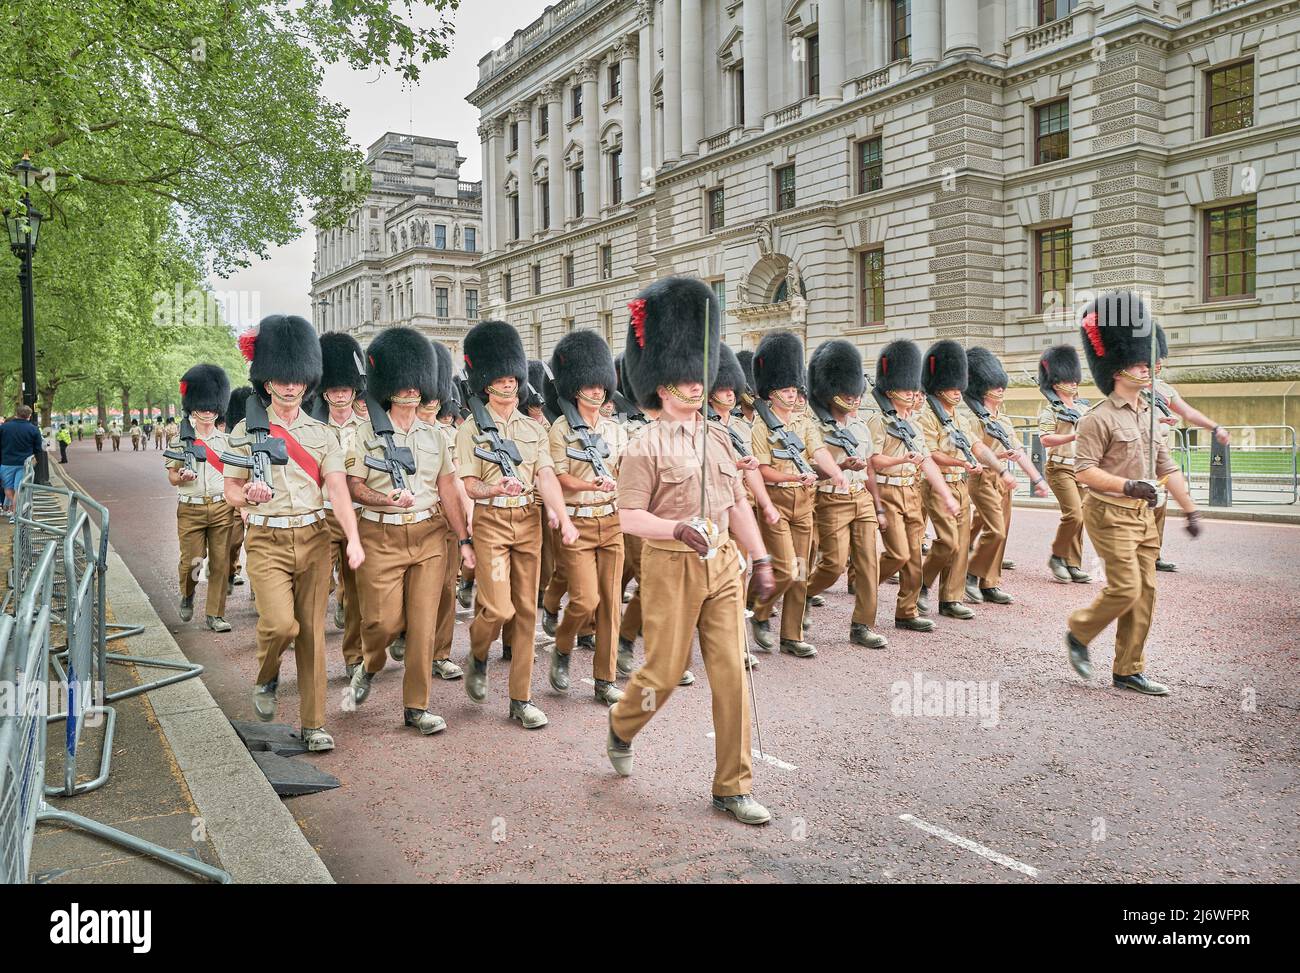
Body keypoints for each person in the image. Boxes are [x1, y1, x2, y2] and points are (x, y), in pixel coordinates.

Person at [605, 276, 777, 826]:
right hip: (671, 566)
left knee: (733, 674)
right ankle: (623, 724)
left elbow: (736, 504)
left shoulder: (722, 437)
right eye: (683, 379)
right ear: (660, 385)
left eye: (697, 376)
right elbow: (626, 516)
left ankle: (732, 785)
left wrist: (763, 558)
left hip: (723, 564)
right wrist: (676, 530)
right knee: (663, 673)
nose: (696, 386)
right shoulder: (642, 446)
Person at [223, 314, 363, 753]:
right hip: (266, 540)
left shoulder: (321, 435)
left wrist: (353, 539)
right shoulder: (247, 432)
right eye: (281, 379)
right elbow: (229, 489)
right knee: (280, 625)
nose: (289, 387)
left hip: (315, 536)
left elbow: (338, 490)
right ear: (266, 382)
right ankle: (266, 674)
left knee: (311, 633)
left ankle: (314, 723)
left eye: (297, 379)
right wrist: (248, 493)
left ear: (307, 381)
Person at [1067, 292, 1201, 696]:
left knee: (1145, 595)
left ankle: (1128, 669)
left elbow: (1166, 466)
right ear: (1118, 369)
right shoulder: (1097, 418)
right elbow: (1084, 471)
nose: (1149, 368)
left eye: (1148, 362)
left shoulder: (1149, 413)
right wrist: (1127, 486)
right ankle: (1078, 630)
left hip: (1142, 516)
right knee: (1125, 587)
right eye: (1141, 363)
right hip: (1108, 513)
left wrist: (1191, 511)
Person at [345, 327, 473, 736]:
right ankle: (370, 662)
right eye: (405, 384)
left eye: (418, 384)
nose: (412, 391)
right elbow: (353, 486)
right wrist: (384, 500)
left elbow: (448, 488)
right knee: (382, 623)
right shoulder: (363, 434)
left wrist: (464, 539)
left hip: (429, 535)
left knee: (422, 625)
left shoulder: (436, 435)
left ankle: (417, 707)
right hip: (379, 535)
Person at [456, 320, 578, 730]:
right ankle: (477, 651)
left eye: (513, 377)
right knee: (499, 608)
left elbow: (545, 475)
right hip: (491, 523)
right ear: (486, 382)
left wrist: (560, 515)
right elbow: (470, 485)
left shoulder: (532, 428)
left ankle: (520, 699)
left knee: (526, 610)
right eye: (500, 378)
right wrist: (495, 490)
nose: (509, 384)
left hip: (528, 521)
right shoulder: (471, 429)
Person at [748, 330, 847, 659]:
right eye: (785, 391)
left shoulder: (804, 424)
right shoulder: (761, 428)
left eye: (794, 390)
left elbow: (818, 452)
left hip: (804, 504)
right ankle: (761, 613)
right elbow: (761, 470)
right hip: (777, 502)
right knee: (786, 570)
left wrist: (835, 473)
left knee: (802, 573)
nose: (792, 396)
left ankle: (791, 635)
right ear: (771, 393)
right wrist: (791, 477)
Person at [543, 329, 628, 706]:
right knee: (584, 601)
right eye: (589, 386)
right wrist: (586, 484)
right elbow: (557, 476)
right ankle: (562, 646)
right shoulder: (560, 430)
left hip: (610, 522)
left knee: (610, 603)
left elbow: (628, 471)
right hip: (576, 520)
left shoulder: (615, 429)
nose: (596, 392)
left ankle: (604, 679)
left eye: (601, 386)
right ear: (575, 388)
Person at [804, 340, 890, 649]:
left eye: (856, 392)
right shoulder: (812, 426)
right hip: (831, 498)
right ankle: (799, 594)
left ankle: (862, 626)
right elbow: (809, 469)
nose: (853, 398)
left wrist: (878, 507)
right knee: (833, 565)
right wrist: (839, 465)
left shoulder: (862, 427)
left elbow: (868, 471)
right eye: (846, 392)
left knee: (869, 564)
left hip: (861, 499)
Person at [917, 340, 1010, 622]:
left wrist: (999, 468)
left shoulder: (961, 417)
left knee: (961, 541)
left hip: (961, 484)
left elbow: (978, 447)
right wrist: (961, 461)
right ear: (938, 388)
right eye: (952, 389)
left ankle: (950, 599)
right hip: (937, 484)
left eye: (960, 389)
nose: (958, 394)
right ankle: (921, 583)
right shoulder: (927, 416)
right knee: (948, 542)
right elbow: (931, 452)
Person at [868, 344, 956, 633]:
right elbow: (875, 460)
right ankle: (866, 581)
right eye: (904, 388)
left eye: (912, 388)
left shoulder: (914, 425)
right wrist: (900, 458)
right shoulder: (878, 422)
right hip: (889, 491)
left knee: (915, 557)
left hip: (912, 492)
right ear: (890, 389)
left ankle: (906, 612)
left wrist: (945, 494)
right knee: (898, 554)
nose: (910, 392)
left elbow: (926, 461)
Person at [962, 347, 1049, 605]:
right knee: (996, 530)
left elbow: (1018, 450)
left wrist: (1037, 479)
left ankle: (990, 583)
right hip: (983, 477)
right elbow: (975, 451)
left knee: (1003, 532)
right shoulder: (971, 417)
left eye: (1001, 385)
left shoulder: (1003, 417)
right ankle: (971, 574)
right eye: (993, 386)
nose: (1000, 389)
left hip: (1004, 480)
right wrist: (1001, 460)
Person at [310, 332, 367, 678]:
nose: (340, 394)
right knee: (317, 588)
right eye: (334, 388)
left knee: (359, 594)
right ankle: (312, 655)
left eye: (345, 388)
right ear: (325, 390)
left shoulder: (373, 427)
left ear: (353, 389)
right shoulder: (314, 429)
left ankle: (354, 657)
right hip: (323, 515)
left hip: (360, 518)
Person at [1150, 325, 1228, 573]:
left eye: (1159, 362)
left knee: (1159, 506)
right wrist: (1157, 422)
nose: (1157, 366)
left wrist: (1214, 427)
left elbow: (1188, 412)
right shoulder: (1127, 388)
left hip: (1160, 453)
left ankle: (1154, 554)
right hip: (1133, 457)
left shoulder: (1164, 390)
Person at [166, 364, 235, 632]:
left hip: (221, 508)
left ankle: (215, 614)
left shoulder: (228, 442)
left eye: (211, 408)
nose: (207, 413)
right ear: (192, 408)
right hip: (191, 509)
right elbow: (171, 477)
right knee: (192, 561)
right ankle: (188, 592)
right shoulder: (180, 441)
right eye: (201, 408)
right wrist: (180, 477)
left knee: (220, 563)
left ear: (218, 409)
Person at [1037, 344, 1093, 584]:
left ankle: (1073, 564)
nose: (1074, 383)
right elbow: (1046, 439)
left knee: (1083, 517)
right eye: (1068, 380)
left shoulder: (1084, 408)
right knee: (1074, 515)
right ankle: (1057, 556)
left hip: (1081, 468)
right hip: (1059, 467)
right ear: (1056, 382)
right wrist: (1072, 435)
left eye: (1074, 380)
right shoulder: (1050, 410)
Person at [223, 388, 253, 594]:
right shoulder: (231, 435)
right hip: (233, 496)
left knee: (254, 544)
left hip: (255, 497)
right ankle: (230, 571)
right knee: (233, 542)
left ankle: (257, 588)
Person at [1, 405, 43, 517]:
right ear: (29, 416)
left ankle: (14, 511)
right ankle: (16, 515)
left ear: (16, 414)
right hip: (24, 463)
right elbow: (38, 448)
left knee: (8, 489)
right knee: (19, 489)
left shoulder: (4, 427)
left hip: (6, 463)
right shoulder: (33, 429)